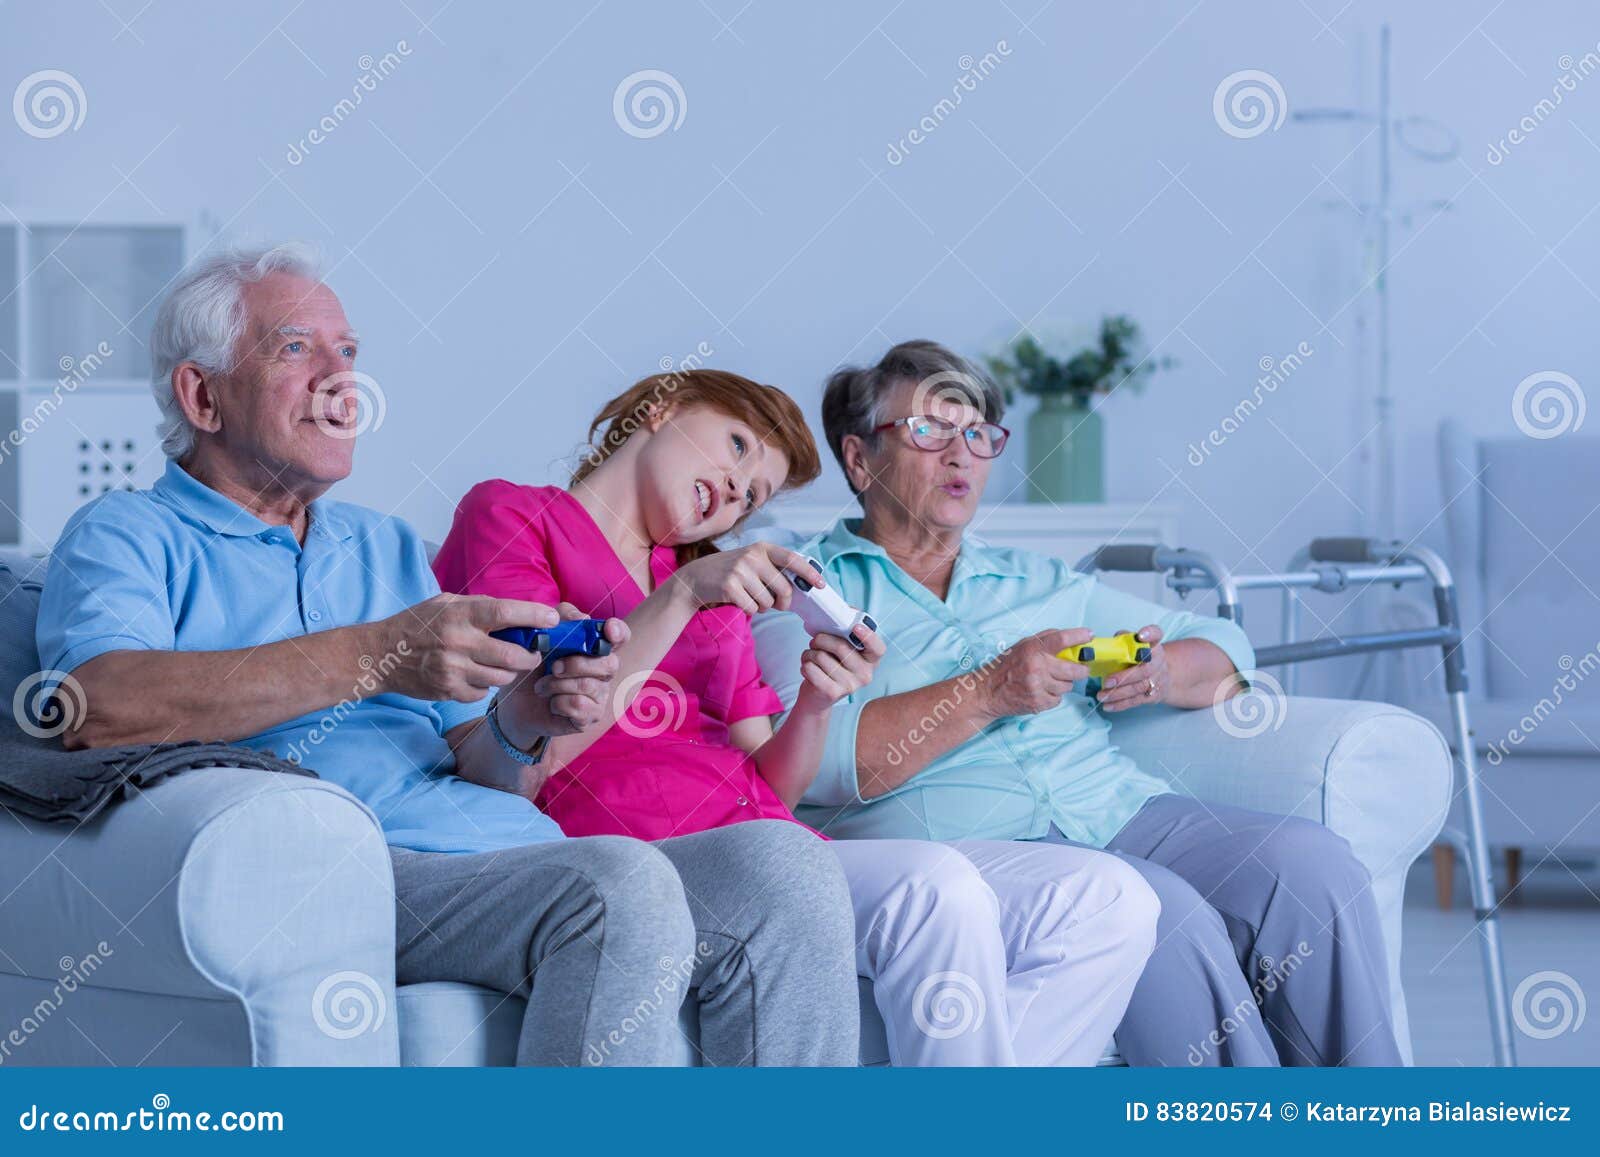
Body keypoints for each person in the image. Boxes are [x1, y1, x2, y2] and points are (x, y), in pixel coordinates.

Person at [34, 242, 861, 1067]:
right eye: (296, 348)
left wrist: (532, 714)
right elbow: (91, 706)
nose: (341, 377)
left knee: (785, 871)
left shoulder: (382, 544)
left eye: (348, 353)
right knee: (618, 886)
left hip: (504, 852)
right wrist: (382, 652)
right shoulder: (126, 532)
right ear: (201, 394)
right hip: (348, 864)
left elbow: (487, 765)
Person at [433, 366, 1160, 1066]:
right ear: (661, 407)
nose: (734, 493)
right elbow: (528, 741)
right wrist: (681, 595)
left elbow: (772, 785)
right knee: (934, 887)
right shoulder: (514, 514)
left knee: (1108, 898)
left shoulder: (708, 590)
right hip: (638, 851)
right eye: (737, 446)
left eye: (752, 496)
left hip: (773, 842)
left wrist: (817, 700)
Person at [749, 338, 1403, 1067]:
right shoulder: (802, 589)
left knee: (1312, 865)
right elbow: (818, 771)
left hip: (1121, 811)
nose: (961, 455)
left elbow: (1221, 643)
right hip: (973, 846)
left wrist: (1161, 671)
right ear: (860, 458)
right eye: (930, 430)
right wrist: (988, 691)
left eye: (977, 434)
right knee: (1167, 915)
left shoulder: (1036, 577)